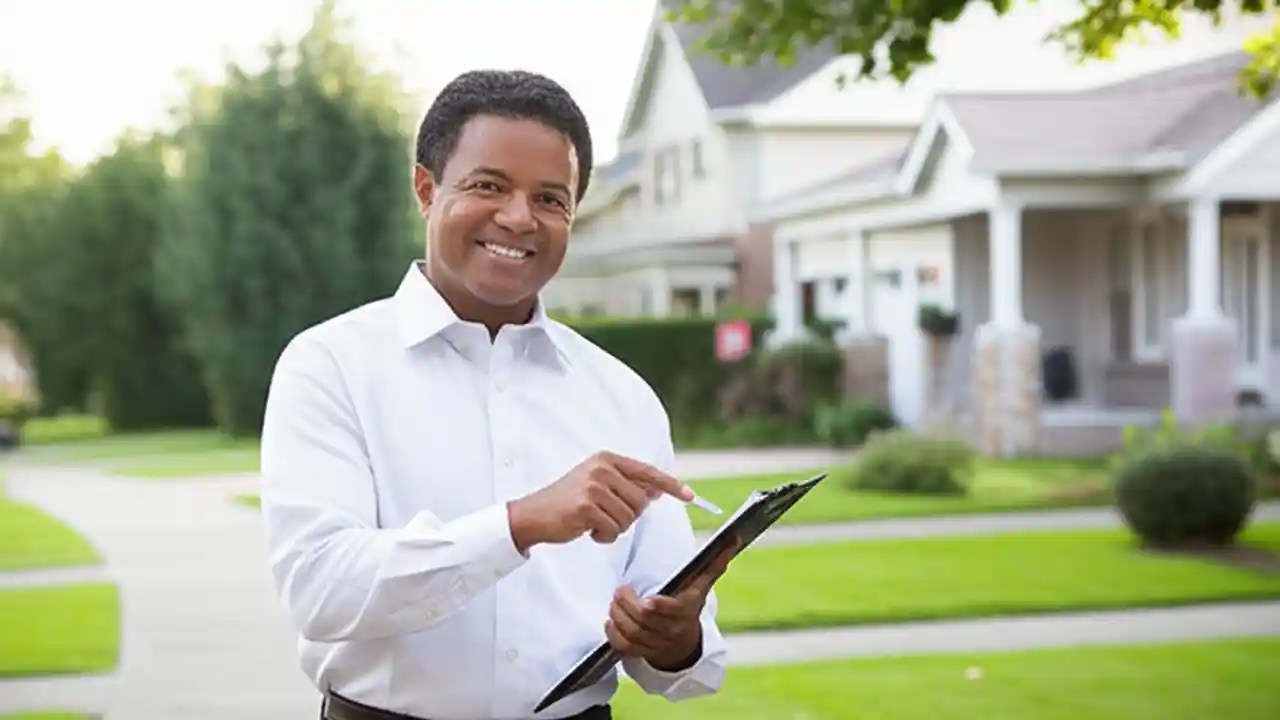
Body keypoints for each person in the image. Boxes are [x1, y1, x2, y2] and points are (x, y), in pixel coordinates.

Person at [259, 69, 732, 720]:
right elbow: (321, 590)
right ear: (426, 188)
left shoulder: (623, 396)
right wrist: (523, 522)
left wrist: (677, 638)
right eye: (489, 186)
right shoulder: (330, 365)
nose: (518, 218)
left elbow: (677, 655)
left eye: (550, 199)